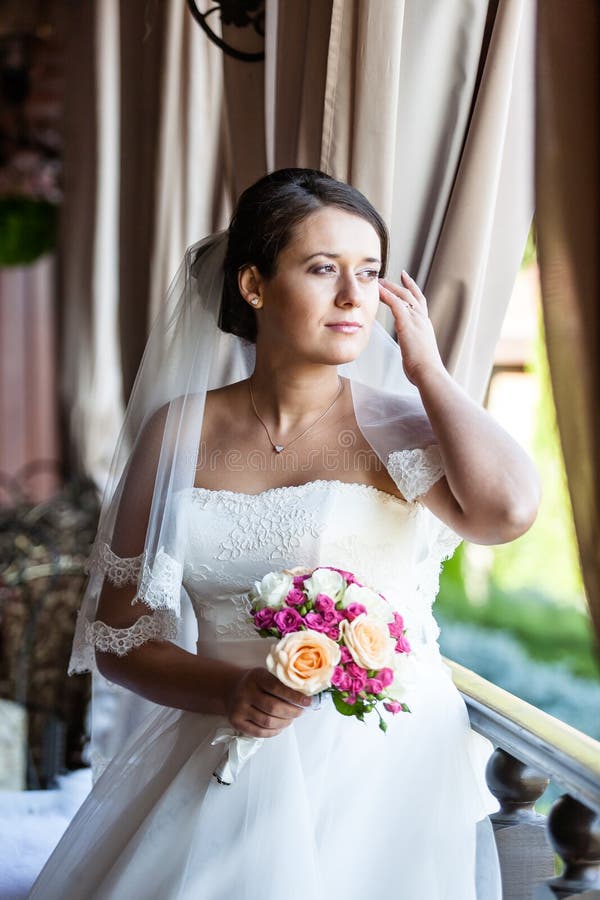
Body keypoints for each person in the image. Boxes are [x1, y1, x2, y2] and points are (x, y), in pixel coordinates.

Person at [30, 168, 540, 899]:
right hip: (228, 746)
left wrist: (427, 369)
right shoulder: (178, 431)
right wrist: (232, 687)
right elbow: (121, 637)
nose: (353, 296)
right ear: (255, 285)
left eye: (368, 272)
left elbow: (509, 512)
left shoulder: (399, 427)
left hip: (383, 773)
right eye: (322, 268)